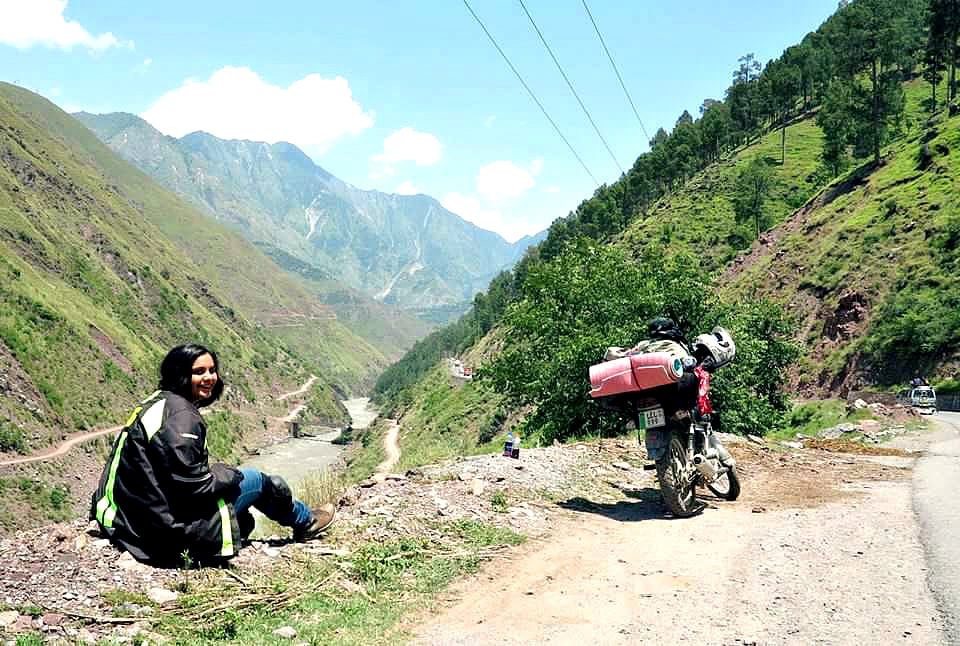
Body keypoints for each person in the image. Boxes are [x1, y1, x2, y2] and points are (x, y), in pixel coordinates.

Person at [90, 343, 335, 566]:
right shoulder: (182, 418)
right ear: (180, 374)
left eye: (212, 370)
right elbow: (194, 488)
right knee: (259, 481)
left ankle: (248, 525)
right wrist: (229, 474)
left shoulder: (157, 402)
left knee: (243, 511)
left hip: (132, 520)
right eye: (199, 372)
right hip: (163, 534)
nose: (209, 377)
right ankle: (305, 522)